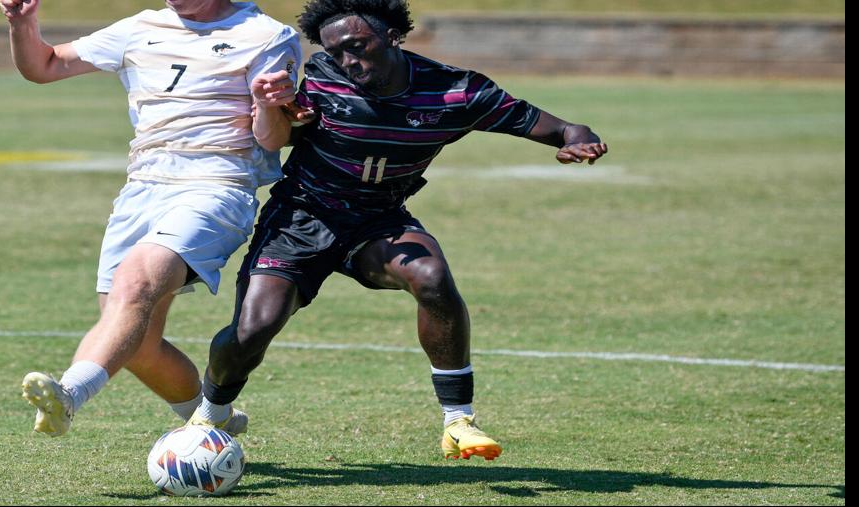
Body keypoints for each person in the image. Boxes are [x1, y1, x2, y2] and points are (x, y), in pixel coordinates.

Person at [187, 0, 607, 460]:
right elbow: (283, 132)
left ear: (390, 35)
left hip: (379, 219)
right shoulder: (324, 77)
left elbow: (564, 127)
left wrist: (577, 141)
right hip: (301, 218)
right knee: (253, 330)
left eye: (356, 47)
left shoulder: (456, 92)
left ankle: (458, 421)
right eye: (336, 51)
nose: (347, 61)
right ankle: (209, 416)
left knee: (431, 278)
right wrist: (285, 112)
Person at [1, 0, 303, 437]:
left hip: (217, 184)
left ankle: (69, 395)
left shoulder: (268, 36)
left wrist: (267, 103)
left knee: (136, 283)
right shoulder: (141, 27)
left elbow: (274, 138)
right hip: (141, 189)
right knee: (135, 340)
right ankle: (212, 422)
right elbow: (43, 66)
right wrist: (22, 24)